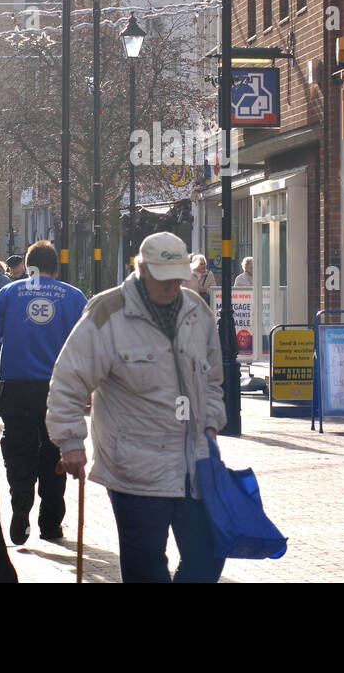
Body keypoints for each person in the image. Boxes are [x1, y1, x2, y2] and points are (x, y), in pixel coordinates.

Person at [48, 232, 226, 584]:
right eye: (164, 279)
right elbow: (68, 381)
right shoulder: (107, 311)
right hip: (135, 466)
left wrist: (209, 425)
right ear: (141, 269)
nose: (173, 288)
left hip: (194, 461)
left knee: (209, 554)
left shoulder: (196, 310)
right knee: (146, 568)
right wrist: (70, 442)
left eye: (178, 278)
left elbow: (213, 380)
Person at [0, 240, 86, 545]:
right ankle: (50, 522)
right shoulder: (74, 297)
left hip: (17, 386)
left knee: (18, 448)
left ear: (27, 264)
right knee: (54, 453)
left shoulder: (9, 293)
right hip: (59, 390)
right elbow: (90, 345)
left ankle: (21, 498)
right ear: (56, 267)